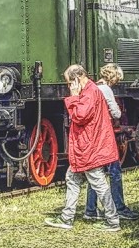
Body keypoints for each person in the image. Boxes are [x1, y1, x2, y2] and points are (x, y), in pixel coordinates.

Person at [44, 64, 121, 232]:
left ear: (77, 79)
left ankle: (113, 219)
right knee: (72, 178)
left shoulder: (89, 93)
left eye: (69, 83)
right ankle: (67, 217)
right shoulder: (92, 90)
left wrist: (73, 97)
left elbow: (79, 116)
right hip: (89, 146)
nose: (68, 86)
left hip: (89, 147)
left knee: (98, 183)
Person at [84, 64, 138, 221]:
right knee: (114, 171)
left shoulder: (92, 87)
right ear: (113, 77)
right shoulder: (106, 90)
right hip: (104, 135)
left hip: (92, 135)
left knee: (95, 172)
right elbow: (117, 113)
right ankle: (119, 207)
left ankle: (91, 209)